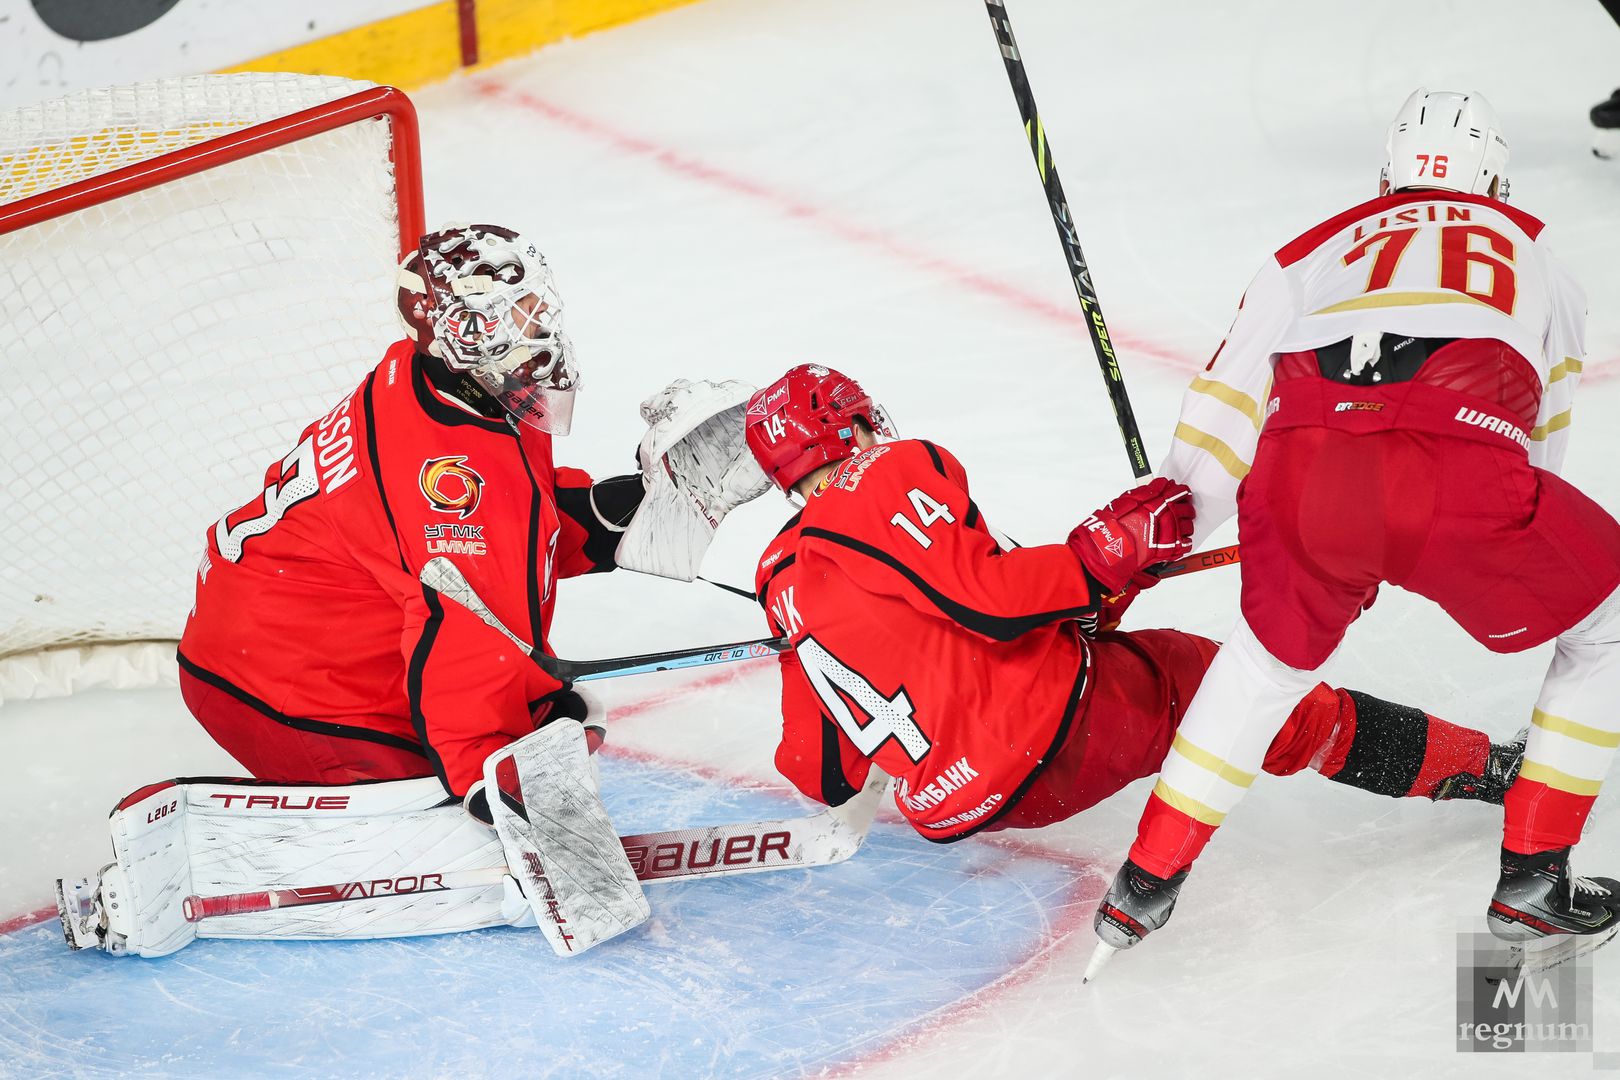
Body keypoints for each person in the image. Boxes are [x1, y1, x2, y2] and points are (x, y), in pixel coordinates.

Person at [1093, 89, 1620, 965]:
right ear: (1496, 181)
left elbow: (1225, 407)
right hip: (1461, 476)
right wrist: (1477, 549)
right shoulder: (1538, 260)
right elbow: (1541, 439)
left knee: (1263, 664)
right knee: (1606, 630)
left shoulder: (1310, 249)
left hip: (1301, 475)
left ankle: (1142, 886)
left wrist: (1176, 519)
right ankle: (1534, 878)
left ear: (1385, 179)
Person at [741, 363, 1523, 853]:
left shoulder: (776, 576)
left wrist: (1105, 580)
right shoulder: (884, 474)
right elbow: (990, 604)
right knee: (1246, 698)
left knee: (1126, 664)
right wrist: (1097, 557)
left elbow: (825, 774)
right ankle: (1484, 769)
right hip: (1053, 731)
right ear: (856, 425)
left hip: (959, 811)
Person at [177, 223, 763, 817]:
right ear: (460, 329)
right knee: (530, 741)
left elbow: (503, 515)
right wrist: (489, 767)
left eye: (537, 305)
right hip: (285, 693)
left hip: (277, 639)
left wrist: (597, 518)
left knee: (555, 715)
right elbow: (468, 626)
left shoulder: (454, 385)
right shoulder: (444, 475)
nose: (540, 326)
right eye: (515, 314)